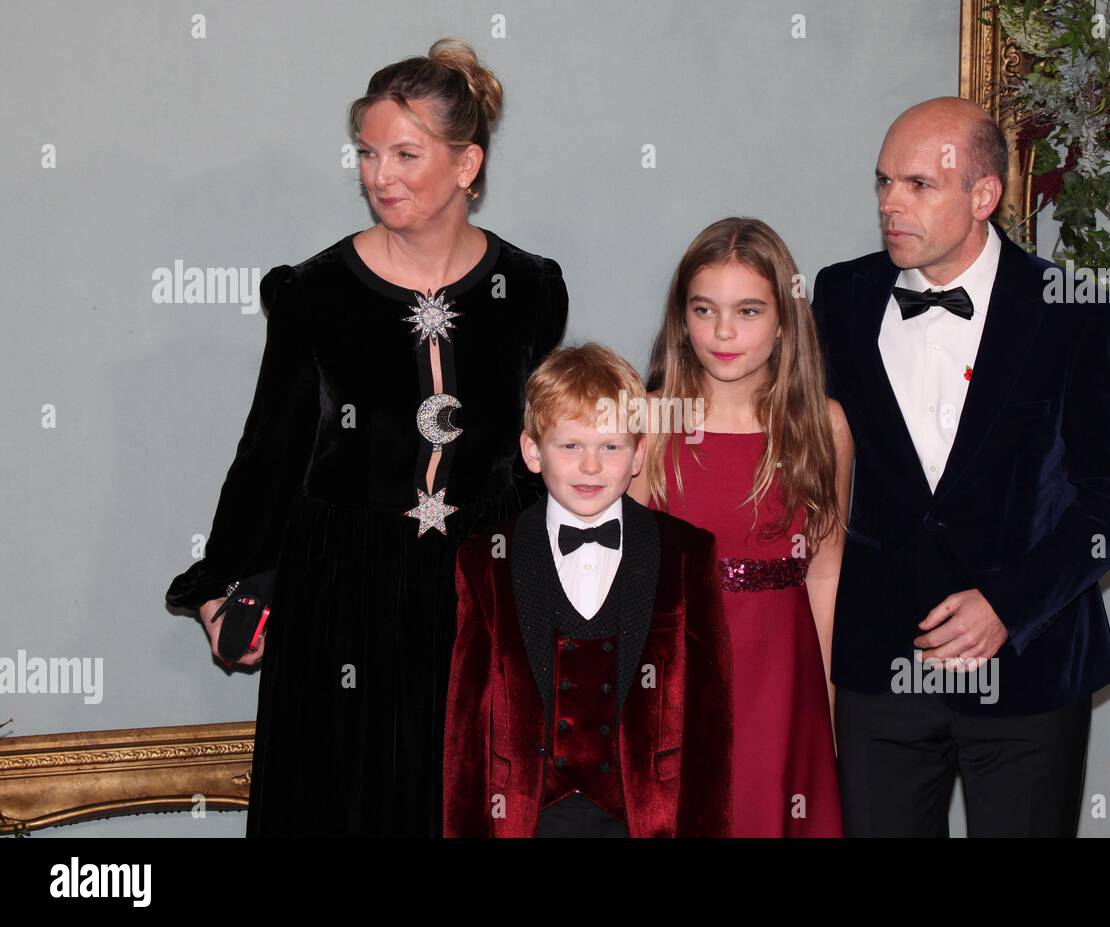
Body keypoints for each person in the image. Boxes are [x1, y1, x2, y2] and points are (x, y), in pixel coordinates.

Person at [165, 38, 568, 837]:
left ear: (466, 163)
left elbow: (537, 452)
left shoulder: (529, 289)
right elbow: (271, 453)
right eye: (368, 153)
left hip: (476, 591)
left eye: (405, 153)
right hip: (338, 590)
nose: (380, 175)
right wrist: (224, 583)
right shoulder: (313, 293)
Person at [812, 96, 1110, 837]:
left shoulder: (1075, 310)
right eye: (882, 183)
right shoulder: (840, 296)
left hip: (1030, 672)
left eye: (917, 185)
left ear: (984, 195)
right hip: (878, 671)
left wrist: (1009, 604)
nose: (890, 204)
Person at [443, 344, 734, 837]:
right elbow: (466, 720)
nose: (591, 467)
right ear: (533, 451)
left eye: (611, 446)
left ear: (639, 453)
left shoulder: (686, 553)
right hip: (525, 817)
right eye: (570, 446)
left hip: (643, 816)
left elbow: (711, 719)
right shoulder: (485, 557)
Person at [629, 217, 850, 837]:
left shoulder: (822, 427)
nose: (724, 332)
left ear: (785, 321)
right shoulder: (647, 420)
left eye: (748, 311)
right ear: (682, 319)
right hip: (678, 678)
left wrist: (824, 708)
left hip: (785, 685)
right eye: (705, 310)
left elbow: (826, 572)